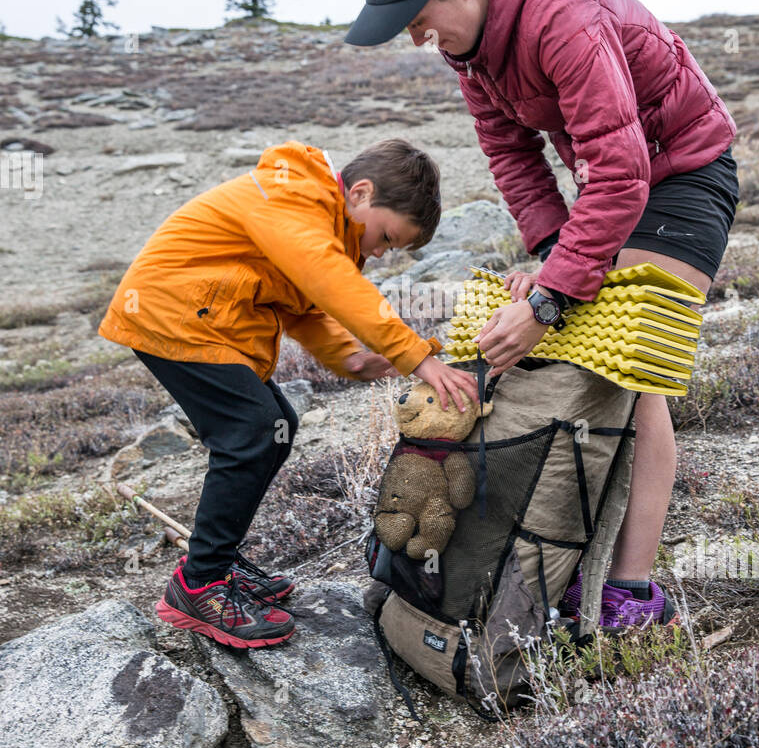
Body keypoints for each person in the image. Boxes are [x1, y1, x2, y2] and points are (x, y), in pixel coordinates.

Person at [344, 0, 739, 629]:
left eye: (420, 20)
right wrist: (556, 254)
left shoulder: (559, 14)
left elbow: (622, 169)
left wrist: (552, 298)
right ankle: (564, 562)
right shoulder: (474, 55)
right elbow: (517, 162)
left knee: (625, 367)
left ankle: (630, 592)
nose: (420, 41)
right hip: (614, 183)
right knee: (590, 359)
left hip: (684, 174)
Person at [99, 138, 478, 648]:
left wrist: (349, 357)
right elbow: (329, 281)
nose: (383, 252)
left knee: (277, 426)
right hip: (172, 316)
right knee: (253, 431)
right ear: (361, 192)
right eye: (386, 236)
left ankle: (216, 563)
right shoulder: (296, 196)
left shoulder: (325, 226)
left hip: (206, 325)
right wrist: (417, 356)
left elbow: (303, 305)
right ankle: (198, 586)